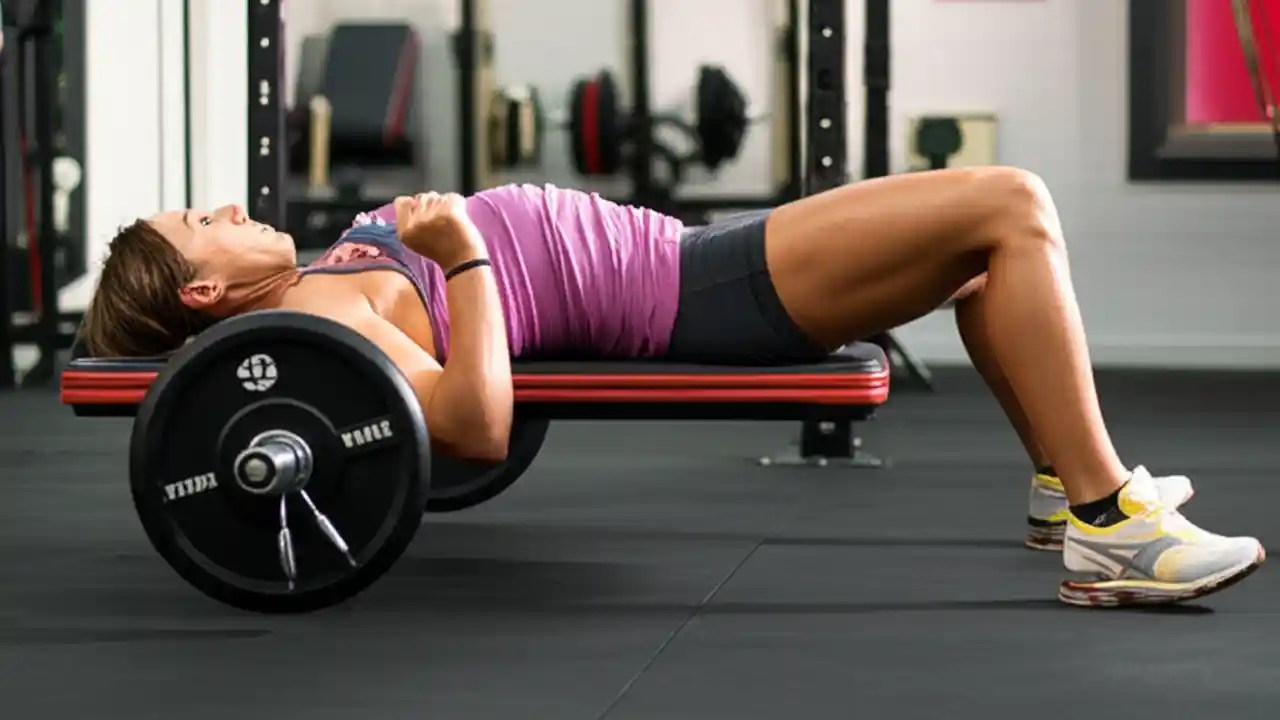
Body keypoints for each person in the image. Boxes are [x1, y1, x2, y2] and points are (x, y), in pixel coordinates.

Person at [80, 171, 1264, 607]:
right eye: (205, 225)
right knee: (1007, 207)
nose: (230, 209)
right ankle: (1107, 522)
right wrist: (463, 255)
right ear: (200, 297)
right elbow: (477, 427)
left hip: (688, 250)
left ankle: (1066, 489)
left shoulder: (317, 286)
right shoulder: (318, 316)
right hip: (690, 292)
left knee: (979, 245)